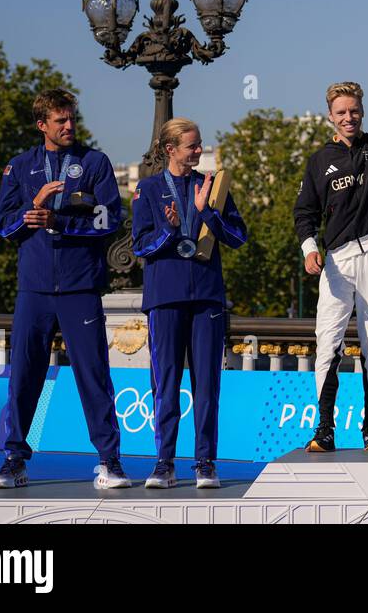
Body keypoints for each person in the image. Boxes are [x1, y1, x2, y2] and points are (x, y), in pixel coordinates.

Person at [0, 88, 129, 489]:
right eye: (60, 120)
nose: (69, 125)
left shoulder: (95, 162)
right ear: (42, 125)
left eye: (72, 118)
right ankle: (14, 459)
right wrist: (32, 208)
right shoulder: (19, 166)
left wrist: (61, 222)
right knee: (24, 375)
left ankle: (109, 461)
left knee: (93, 374)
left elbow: (110, 219)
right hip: (33, 289)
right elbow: (4, 227)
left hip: (80, 286)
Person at [294, 20, 368, 452]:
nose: (349, 118)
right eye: (342, 112)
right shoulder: (318, 161)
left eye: (355, 111)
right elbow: (304, 212)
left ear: (362, 112)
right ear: (330, 115)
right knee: (327, 341)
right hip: (337, 260)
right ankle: (324, 428)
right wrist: (310, 248)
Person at [131, 118, 247, 489]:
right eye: (192, 146)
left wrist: (208, 211)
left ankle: (205, 463)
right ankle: (164, 463)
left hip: (207, 296)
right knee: (165, 383)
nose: (199, 150)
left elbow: (239, 237)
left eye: (199, 144)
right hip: (165, 298)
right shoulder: (149, 189)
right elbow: (139, 246)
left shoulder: (212, 186)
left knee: (207, 384)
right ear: (171, 149)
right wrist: (168, 230)